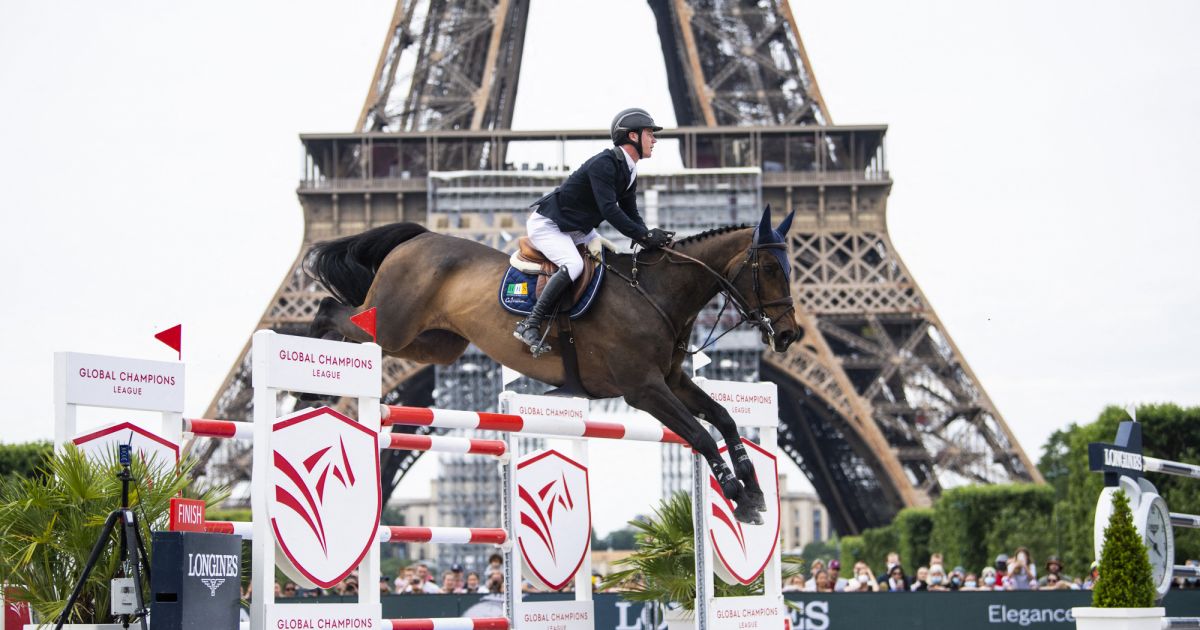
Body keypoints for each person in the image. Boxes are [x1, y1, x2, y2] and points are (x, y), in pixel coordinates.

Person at [513, 108, 672, 353]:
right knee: (574, 265)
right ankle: (530, 323)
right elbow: (609, 209)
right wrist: (642, 235)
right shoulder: (605, 163)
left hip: (578, 228)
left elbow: (631, 211)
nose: (654, 140)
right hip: (550, 225)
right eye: (650, 134)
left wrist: (647, 236)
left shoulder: (629, 169)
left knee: (611, 256)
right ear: (632, 136)